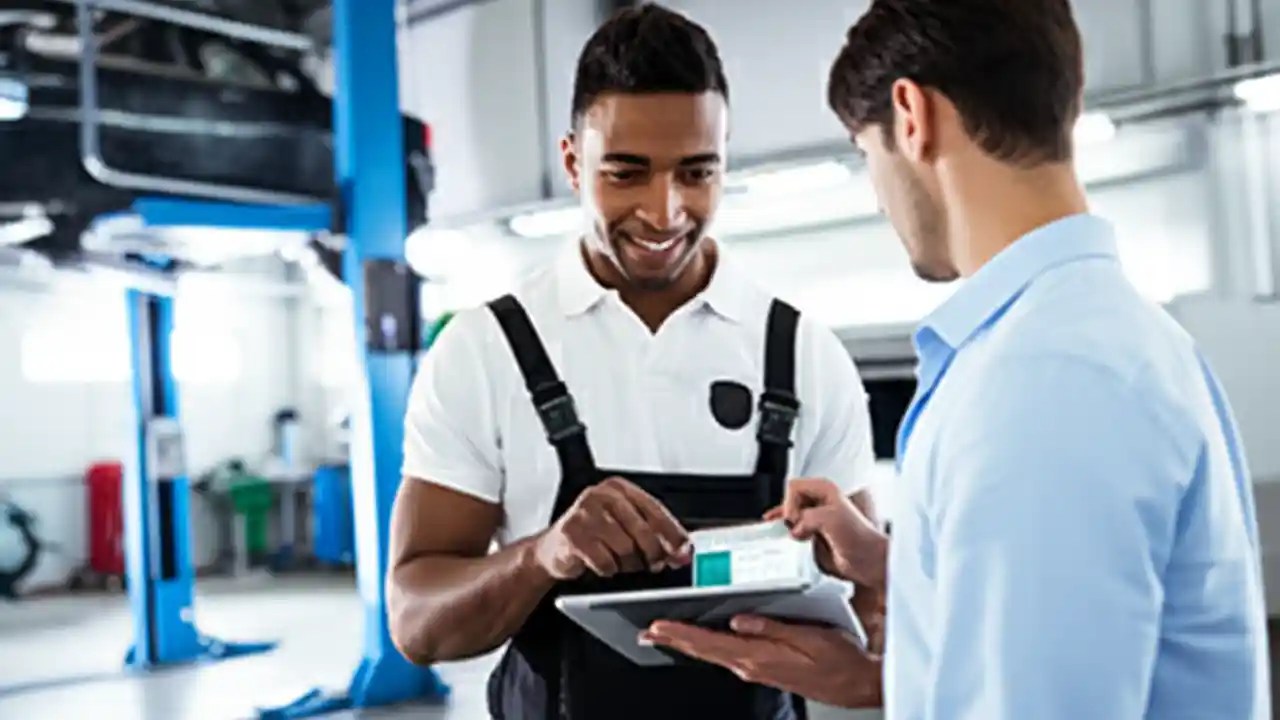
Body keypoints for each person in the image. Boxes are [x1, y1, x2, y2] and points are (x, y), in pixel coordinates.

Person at [645, 0, 1273, 718]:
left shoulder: (1040, 380)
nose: (880, 198)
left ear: (911, 116)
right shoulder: (1116, 339)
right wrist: (903, 569)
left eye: (867, 154)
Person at [383, 4, 880, 719]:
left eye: (696, 172)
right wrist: (542, 556)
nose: (664, 211)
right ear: (572, 162)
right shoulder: (484, 351)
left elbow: (874, 607)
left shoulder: (805, 356)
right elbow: (416, 623)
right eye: (626, 173)